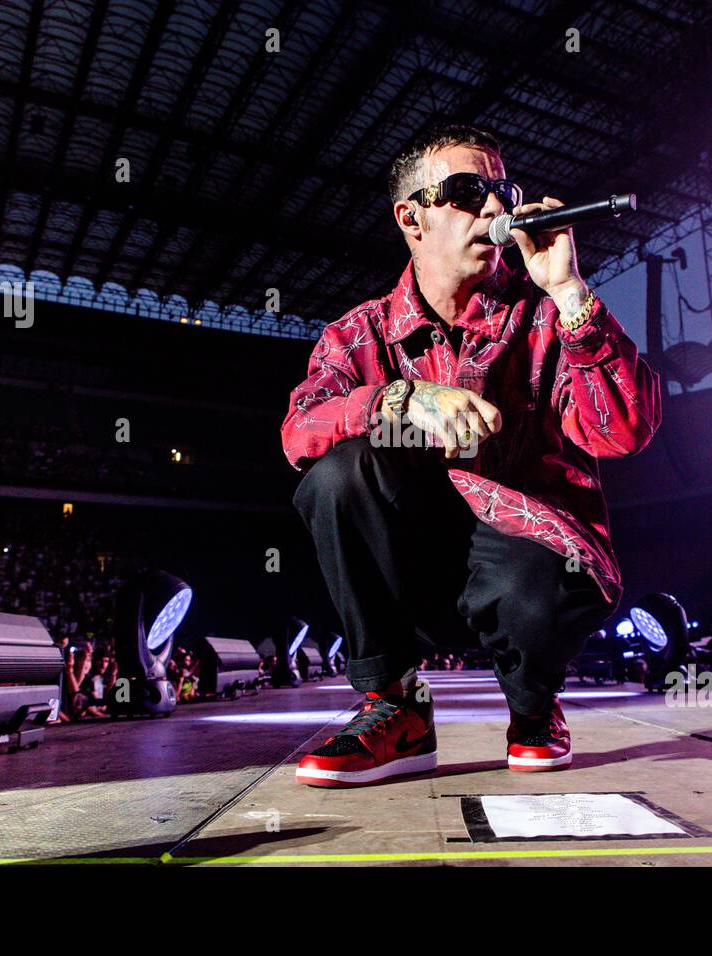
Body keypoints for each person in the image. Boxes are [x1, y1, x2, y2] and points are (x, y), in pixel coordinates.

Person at [281, 124, 661, 787]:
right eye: (465, 192)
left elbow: (624, 431)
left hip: (528, 558)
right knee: (336, 475)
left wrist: (568, 292)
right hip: (421, 565)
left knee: (533, 582)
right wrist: (394, 399)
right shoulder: (359, 334)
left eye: (501, 192)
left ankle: (535, 706)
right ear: (412, 218)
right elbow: (297, 432)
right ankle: (395, 706)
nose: (494, 210)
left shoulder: (547, 318)